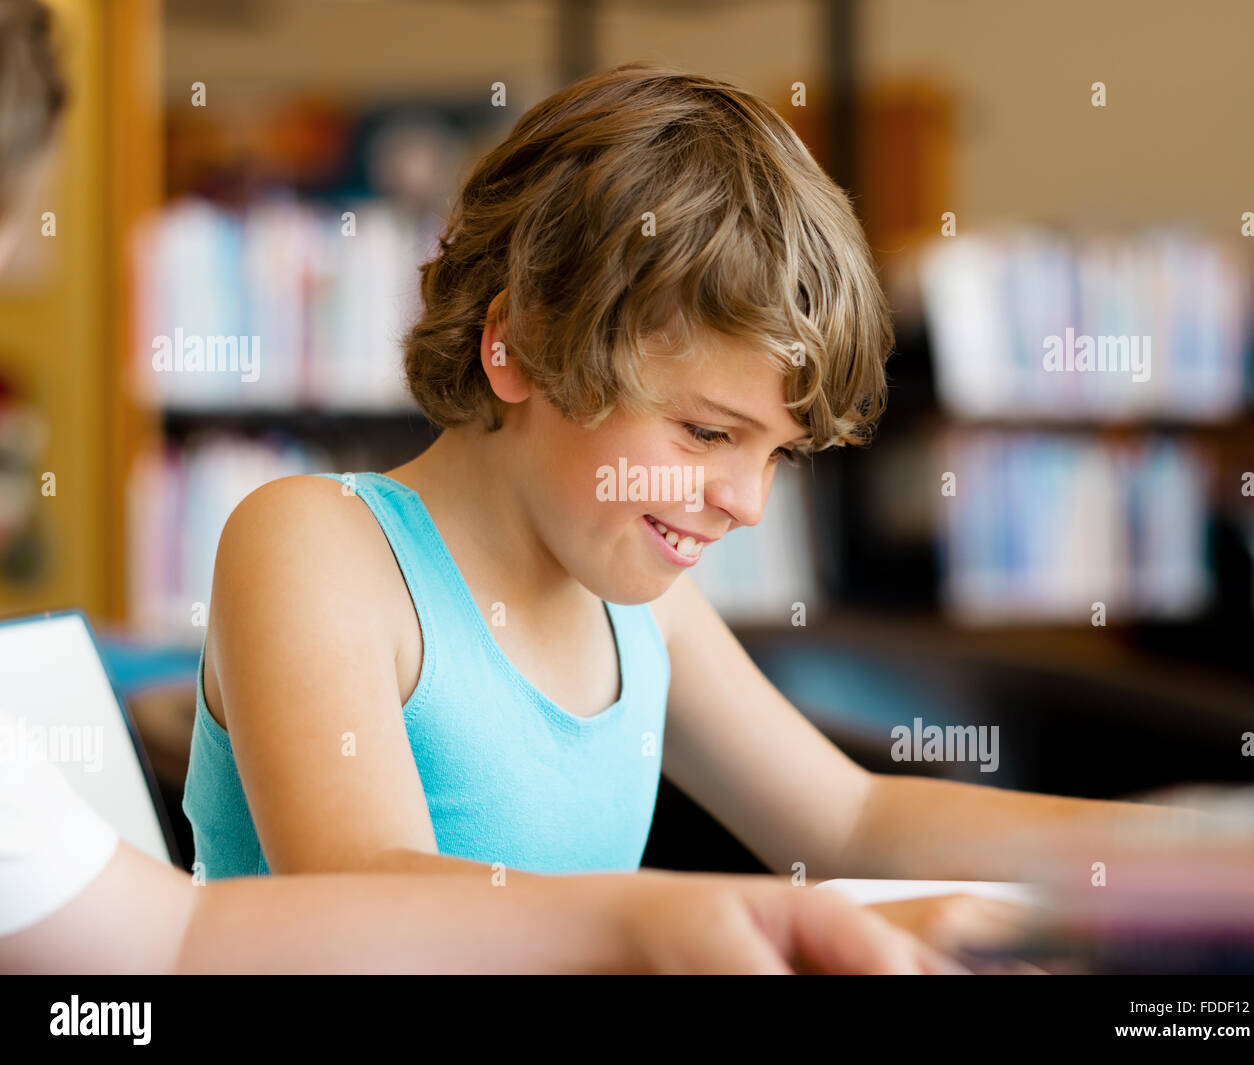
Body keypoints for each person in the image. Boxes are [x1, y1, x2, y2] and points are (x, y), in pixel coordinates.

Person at [0, 0, 992, 976]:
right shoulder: (317, 543)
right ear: (517, 346)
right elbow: (364, 901)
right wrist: (698, 919)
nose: (748, 501)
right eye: (704, 432)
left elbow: (853, 817)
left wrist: (1135, 861)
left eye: (777, 453)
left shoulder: (638, 605)